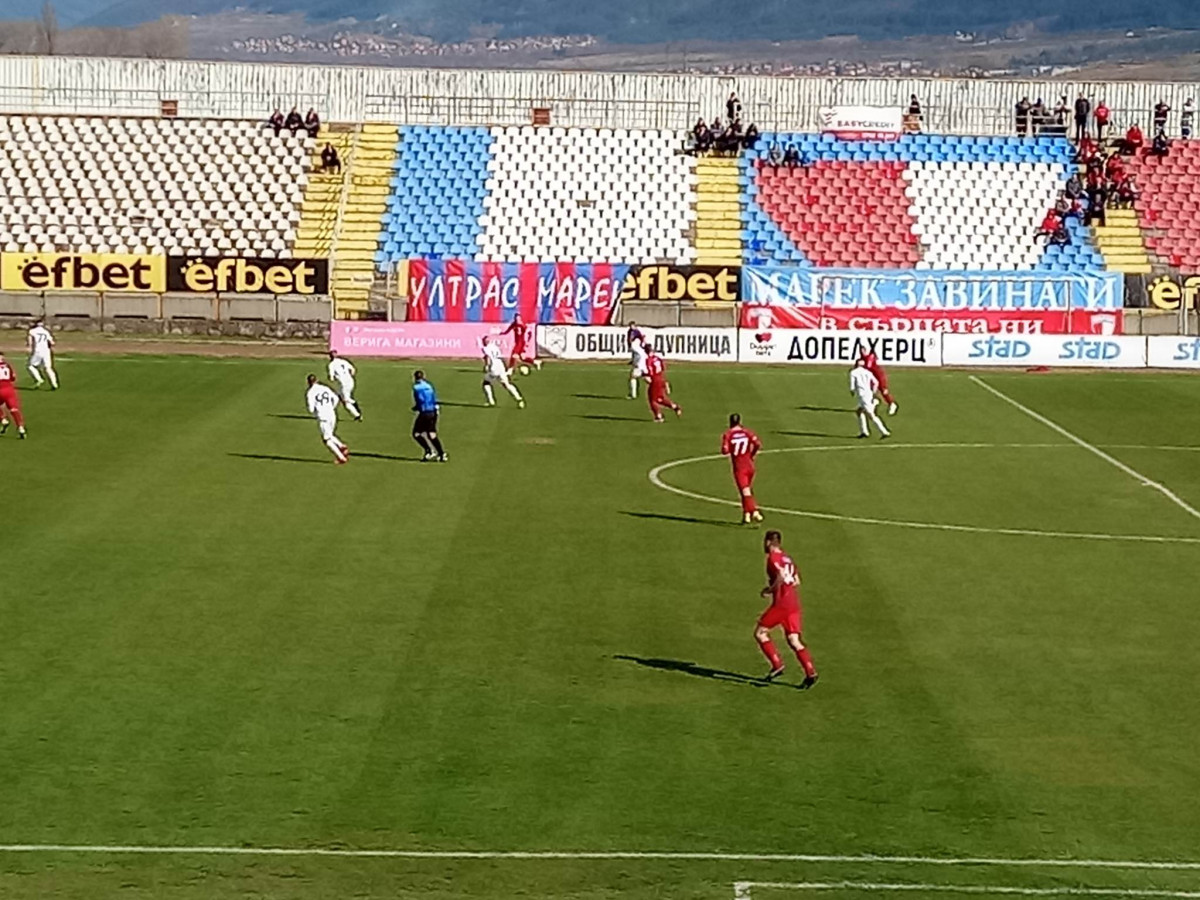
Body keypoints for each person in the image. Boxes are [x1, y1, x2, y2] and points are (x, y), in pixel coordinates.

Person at [754, 530, 818, 688]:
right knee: (794, 640)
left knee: (760, 633)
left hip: (782, 604)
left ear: (769, 542)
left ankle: (777, 664)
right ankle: (810, 672)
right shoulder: (787, 558)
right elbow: (796, 581)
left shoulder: (773, 558)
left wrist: (770, 590)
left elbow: (781, 577)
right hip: (794, 604)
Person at [721, 413, 763, 525]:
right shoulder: (747, 432)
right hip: (750, 466)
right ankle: (746, 515)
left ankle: (754, 511)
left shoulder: (728, 434)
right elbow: (758, 444)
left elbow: (724, 450)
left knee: (745, 492)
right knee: (746, 490)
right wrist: (752, 455)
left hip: (740, 469)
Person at [305, 374, 348, 465]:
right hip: (332, 414)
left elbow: (311, 409)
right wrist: (331, 407)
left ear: (308, 382)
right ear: (316, 380)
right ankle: (341, 446)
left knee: (326, 440)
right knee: (329, 434)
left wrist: (316, 413)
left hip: (323, 416)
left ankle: (341, 457)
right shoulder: (325, 388)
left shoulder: (310, 392)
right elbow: (336, 398)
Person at [411, 370, 447, 462]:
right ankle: (442, 454)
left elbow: (419, 400)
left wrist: (416, 407)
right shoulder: (429, 386)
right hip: (433, 411)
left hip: (424, 412)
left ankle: (429, 451)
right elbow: (434, 398)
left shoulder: (416, 388)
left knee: (416, 433)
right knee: (431, 434)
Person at [850, 358, 890, 439]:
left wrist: (852, 390)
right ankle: (864, 431)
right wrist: (873, 391)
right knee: (859, 411)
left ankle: (884, 431)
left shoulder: (853, 372)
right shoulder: (867, 372)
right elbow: (876, 382)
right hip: (868, 394)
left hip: (862, 395)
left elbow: (852, 384)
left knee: (871, 415)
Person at [480, 336, 524, 408]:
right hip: (500, 366)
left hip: (494, 367)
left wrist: (486, 366)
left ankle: (491, 401)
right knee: (506, 384)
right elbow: (500, 357)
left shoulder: (485, 348)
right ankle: (519, 399)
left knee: (486, 383)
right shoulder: (495, 347)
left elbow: (487, 357)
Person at [644, 347, 681, 423]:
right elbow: (663, 369)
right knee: (659, 398)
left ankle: (659, 416)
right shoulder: (658, 358)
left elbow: (650, 372)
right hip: (661, 378)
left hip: (655, 380)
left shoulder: (648, 360)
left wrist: (646, 376)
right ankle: (674, 407)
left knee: (653, 400)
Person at [326, 349, 361, 421]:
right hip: (350, 381)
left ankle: (356, 408)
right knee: (340, 397)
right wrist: (349, 375)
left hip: (343, 384)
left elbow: (331, 378)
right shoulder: (343, 361)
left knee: (346, 400)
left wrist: (333, 378)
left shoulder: (331, 365)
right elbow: (353, 369)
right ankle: (357, 415)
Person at [860, 349, 897, 415]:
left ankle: (892, 404)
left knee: (883, 391)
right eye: (861, 351)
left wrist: (862, 366)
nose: (862, 352)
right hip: (872, 377)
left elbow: (868, 366)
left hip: (879, 376)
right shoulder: (863, 359)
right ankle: (874, 402)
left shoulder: (869, 357)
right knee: (869, 390)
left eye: (863, 350)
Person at [0, 352, 28, 439]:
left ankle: (3, 419)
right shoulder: (7, 365)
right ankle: (21, 428)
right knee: (14, 409)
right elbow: (13, 377)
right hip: (9, 389)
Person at [27, 319, 58, 389]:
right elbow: (52, 342)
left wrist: (29, 347)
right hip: (46, 351)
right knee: (48, 368)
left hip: (38, 350)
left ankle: (39, 379)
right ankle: (54, 383)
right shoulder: (46, 331)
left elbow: (30, 341)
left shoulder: (32, 331)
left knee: (30, 366)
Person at [628, 331, 649, 400]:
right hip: (644, 365)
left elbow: (639, 356)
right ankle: (660, 388)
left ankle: (633, 395)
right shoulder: (640, 347)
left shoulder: (635, 346)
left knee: (633, 377)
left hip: (639, 365)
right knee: (646, 378)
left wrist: (637, 363)